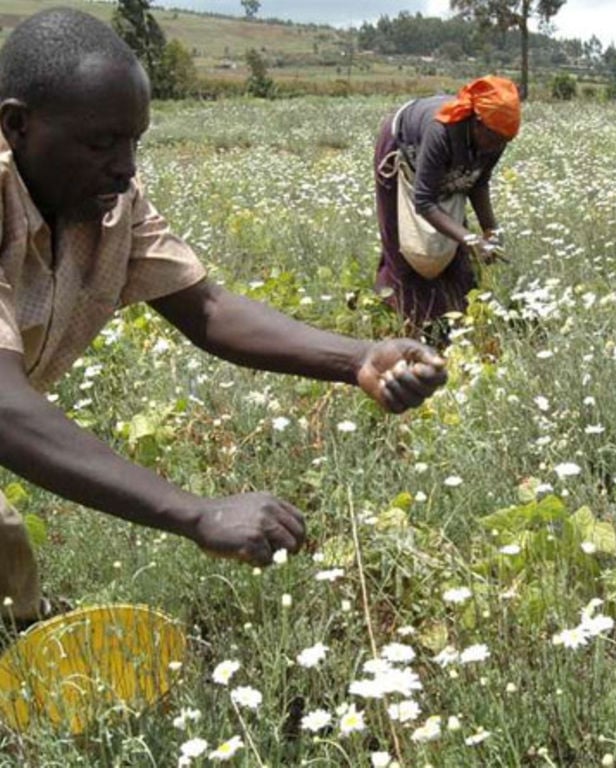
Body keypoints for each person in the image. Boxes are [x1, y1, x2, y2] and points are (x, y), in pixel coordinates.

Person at [0, 8, 447, 628]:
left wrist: (358, 359)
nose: (126, 166)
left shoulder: (109, 202)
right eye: (101, 143)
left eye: (135, 141)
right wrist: (194, 512)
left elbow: (204, 307)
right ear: (17, 125)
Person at [374, 75, 521, 340]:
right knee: (403, 242)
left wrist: (490, 230)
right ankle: (411, 325)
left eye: (505, 141)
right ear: (477, 124)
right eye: (495, 138)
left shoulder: (494, 138)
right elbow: (424, 201)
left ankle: (455, 316)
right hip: (401, 148)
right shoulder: (441, 131)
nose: (499, 147)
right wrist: (471, 240)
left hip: (441, 160)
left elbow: (478, 182)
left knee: (452, 246)